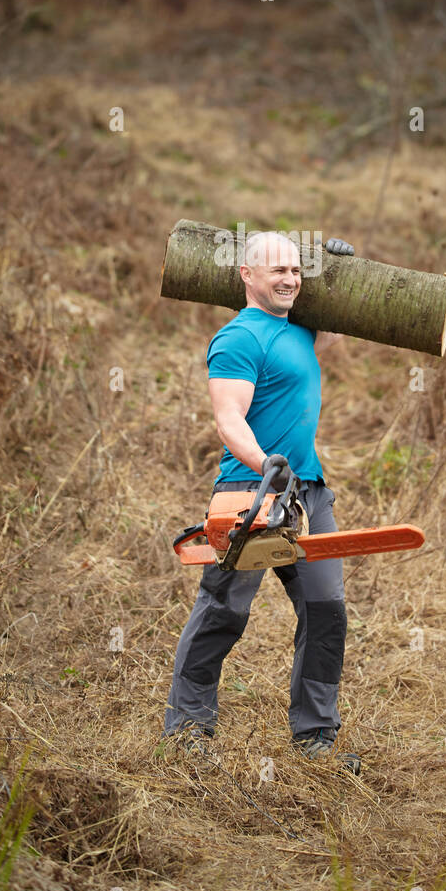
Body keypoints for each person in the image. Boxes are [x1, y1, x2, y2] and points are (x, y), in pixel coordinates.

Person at [163, 230, 362, 772]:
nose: (290, 280)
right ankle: (188, 729)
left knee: (327, 611)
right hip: (249, 493)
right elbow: (228, 418)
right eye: (277, 271)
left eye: (296, 271)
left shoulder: (298, 329)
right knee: (224, 611)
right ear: (246, 275)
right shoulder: (238, 338)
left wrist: (340, 272)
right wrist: (264, 468)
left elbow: (333, 337)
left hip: (309, 492)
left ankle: (315, 737)